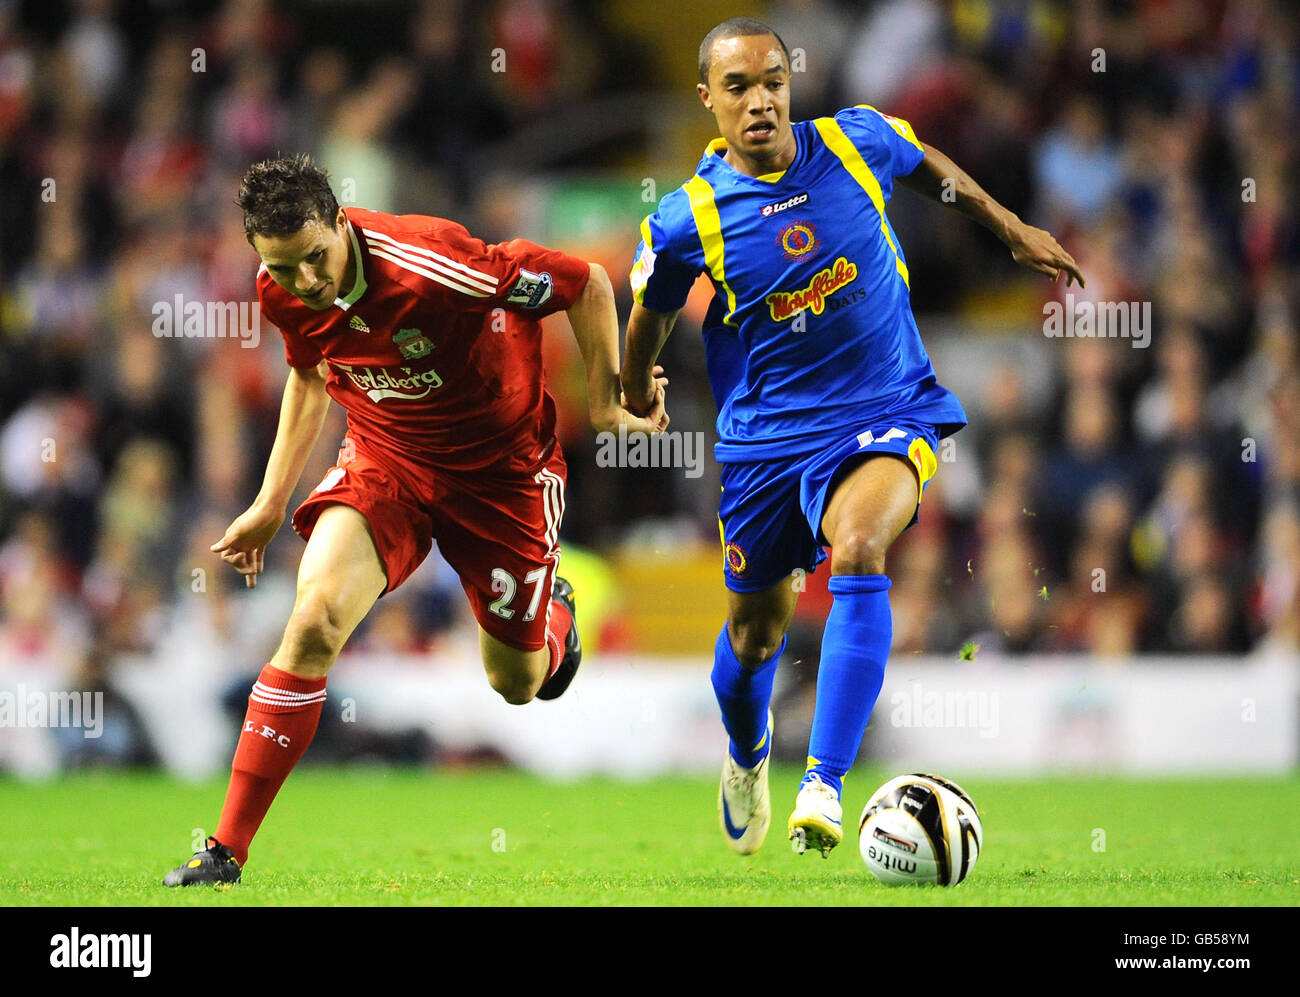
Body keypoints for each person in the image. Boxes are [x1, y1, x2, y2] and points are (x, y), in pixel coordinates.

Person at [621, 18, 1083, 858]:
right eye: (738, 88)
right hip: (766, 443)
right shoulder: (687, 219)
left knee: (861, 548)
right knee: (755, 635)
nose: (760, 100)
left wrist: (1007, 224)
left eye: (773, 81)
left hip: (886, 404)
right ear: (707, 100)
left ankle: (824, 782)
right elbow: (648, 317)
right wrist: (632, 390)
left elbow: (929, 166)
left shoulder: (855, 139)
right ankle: (747, 752)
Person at [163, 154, 667, 885]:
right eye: (283, 265)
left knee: (519, 681)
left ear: (341, 222)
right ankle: (225, 850)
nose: (306, 281)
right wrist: (270, 501)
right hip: (387, 461)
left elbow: (582, 282)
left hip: (501, 477)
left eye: (315, 258)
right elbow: (308, 374)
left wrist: (603, 398)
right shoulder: (280, 288)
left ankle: (555, 615)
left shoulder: (436, 263)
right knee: (310, 623)